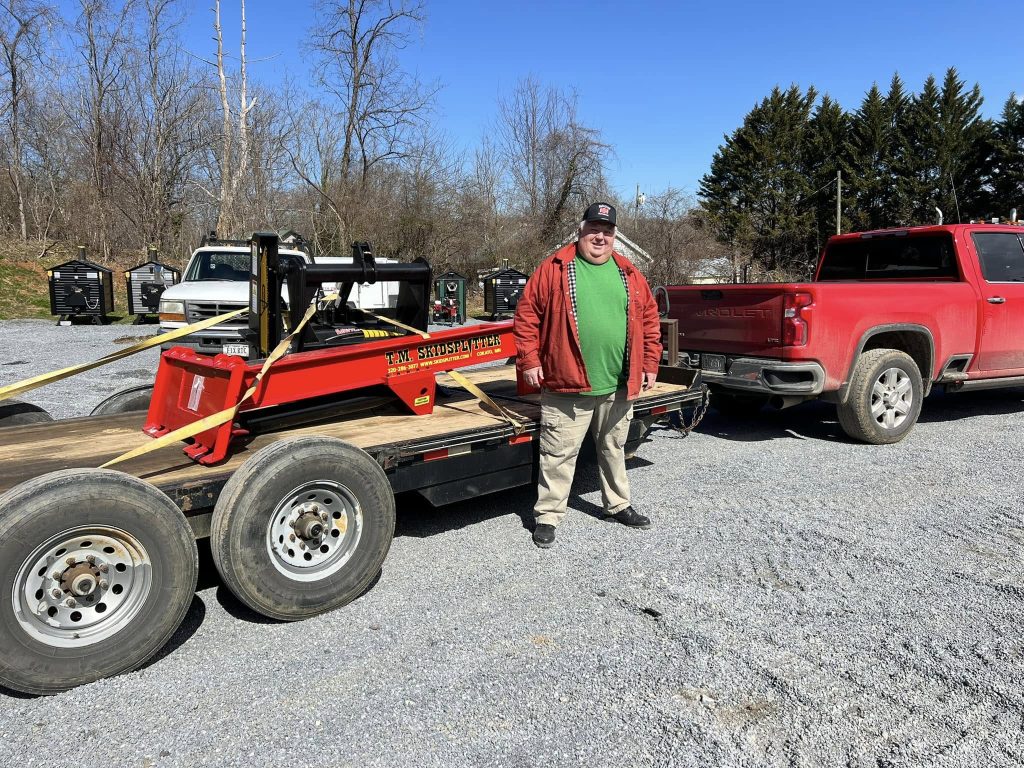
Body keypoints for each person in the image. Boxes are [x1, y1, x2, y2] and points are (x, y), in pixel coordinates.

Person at [513, 201, 663, 549]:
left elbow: (649, 320)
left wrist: (650, 363)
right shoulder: (554, 268)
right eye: (594, 229)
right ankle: (548, 515)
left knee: (614, 447)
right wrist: (530, 360)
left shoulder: (629, 272)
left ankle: (618, 504)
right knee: (558, 454)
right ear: (581, 231)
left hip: (618, 384)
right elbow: (527, 316)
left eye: (607, 231)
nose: (600, 237)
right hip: (567, 384)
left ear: (615, 236)